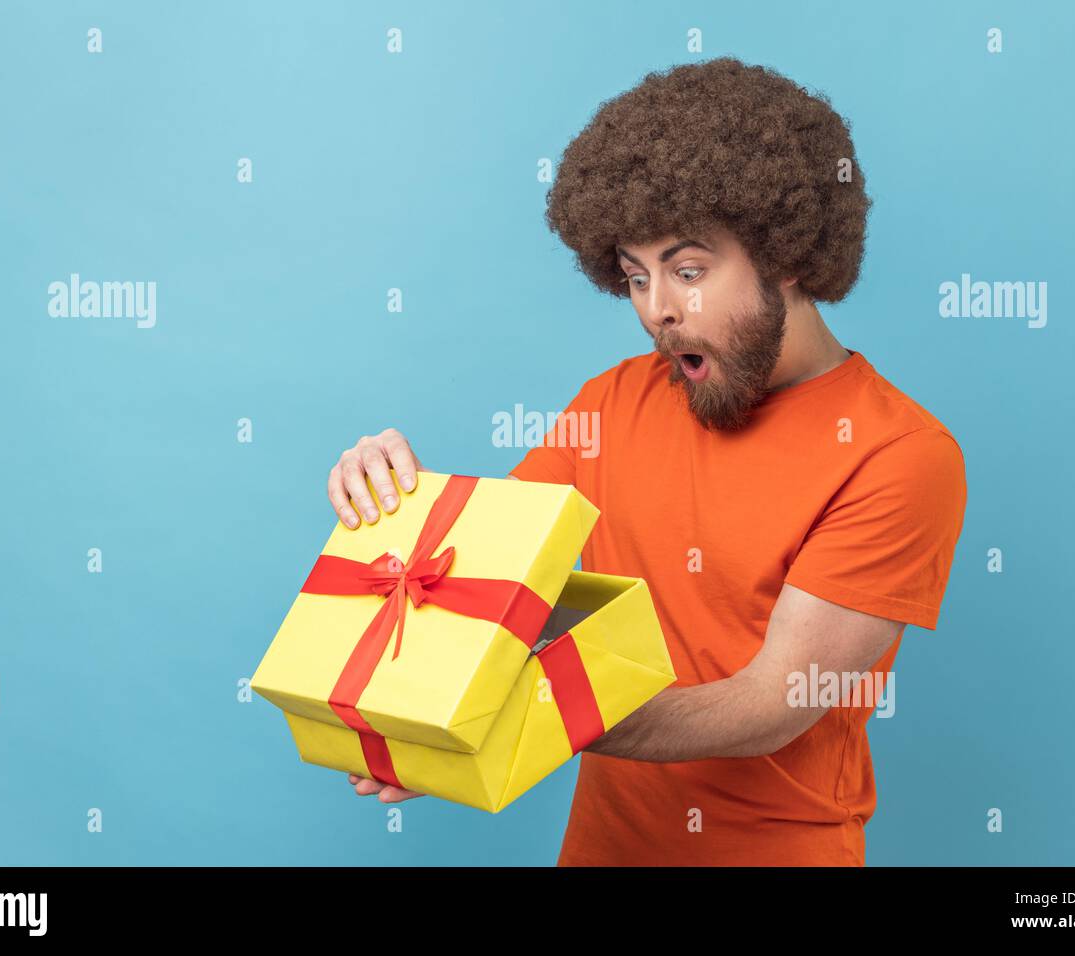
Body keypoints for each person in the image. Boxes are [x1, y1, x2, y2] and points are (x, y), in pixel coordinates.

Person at [326, 57, 966, 866]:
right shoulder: (612, 403)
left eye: (689, 271)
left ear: (786, 254)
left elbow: (770, 706)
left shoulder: (898, 454)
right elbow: (485, 588)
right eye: (635, 276)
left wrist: (513, 720)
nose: (658, 309)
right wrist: (390, 500)